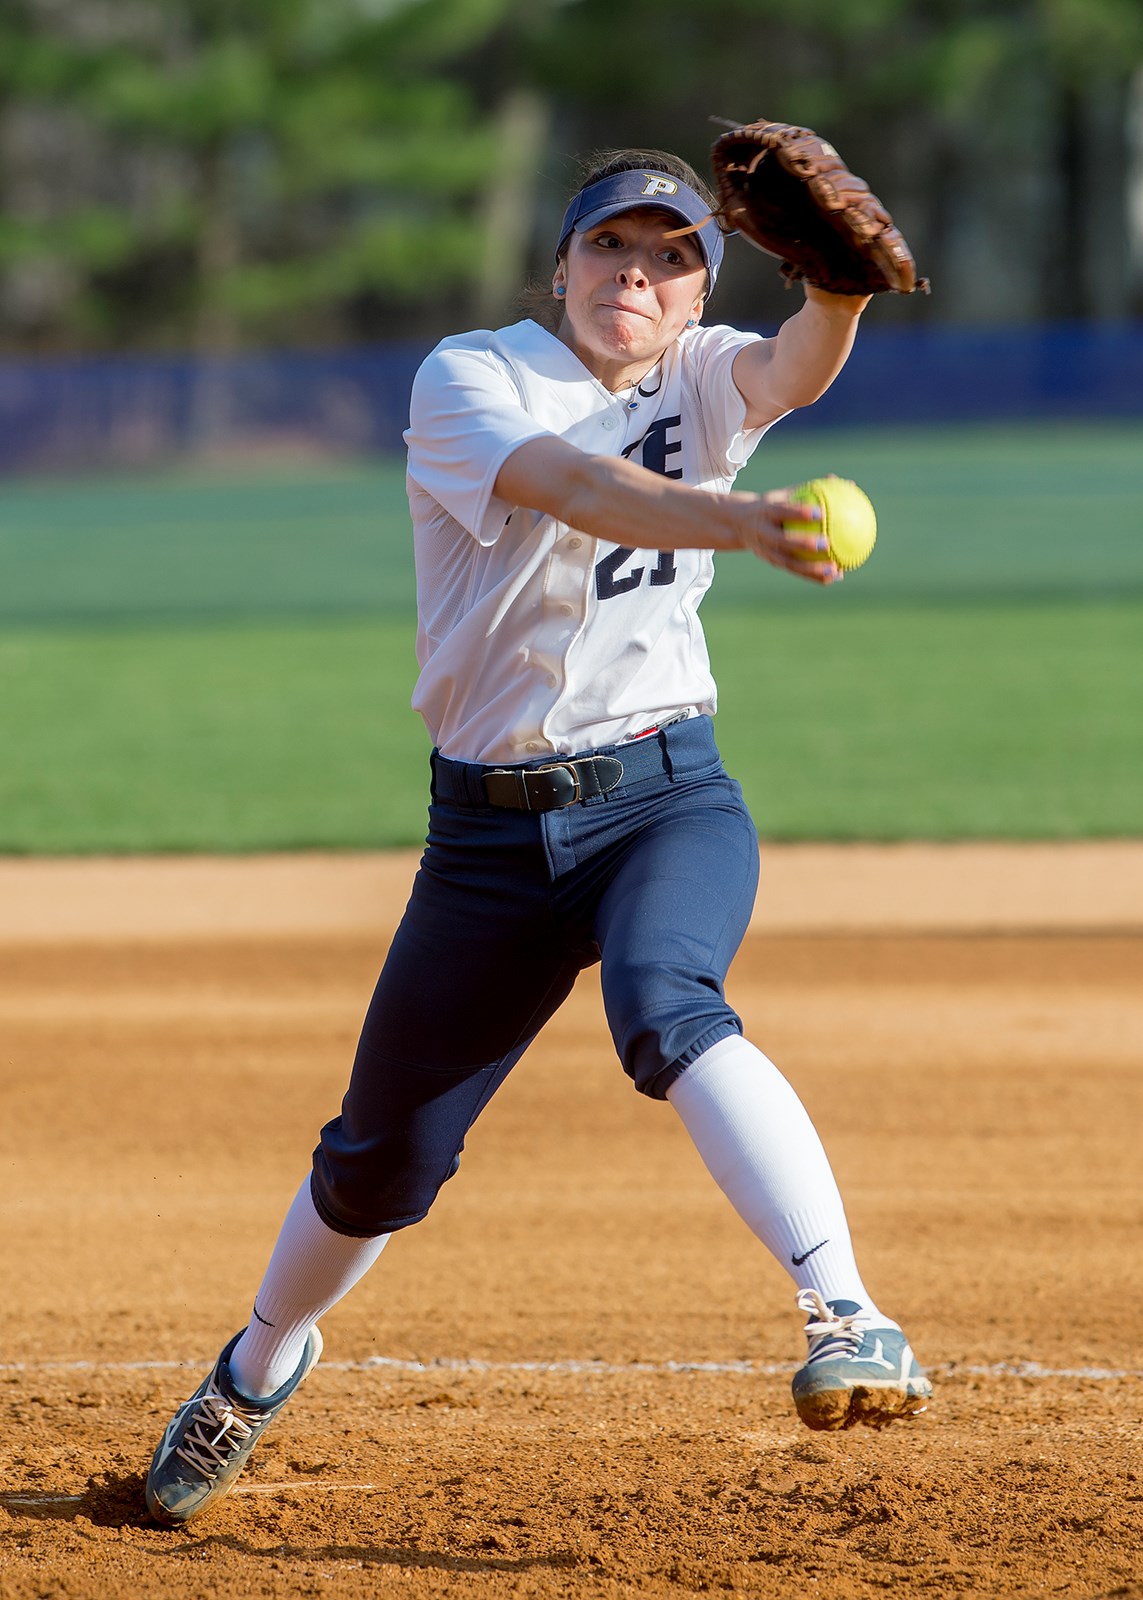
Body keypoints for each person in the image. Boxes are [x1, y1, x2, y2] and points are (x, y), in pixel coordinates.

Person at [144, 147, 931, 1526]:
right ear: (559, 266)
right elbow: (572, 485)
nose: (638, 272)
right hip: (488, 847)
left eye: (672, 255)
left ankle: (847, 1312)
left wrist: (841, 295)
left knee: (668, 1005)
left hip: (664, 799)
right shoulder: (474, 375)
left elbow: (792, 369)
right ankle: (252, 1370)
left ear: (699, 294)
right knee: (379, 1161)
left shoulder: (705, 373)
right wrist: (740, 522)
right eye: (611, 247)